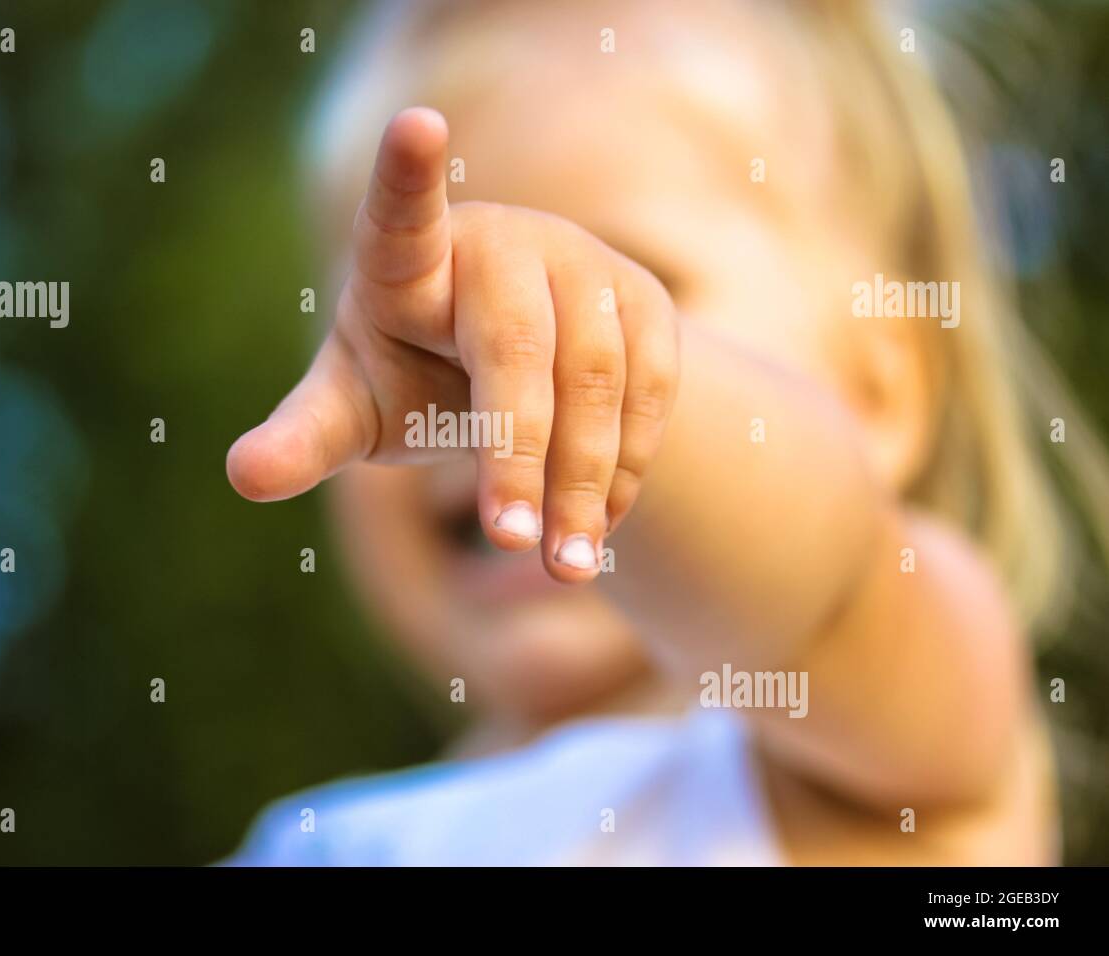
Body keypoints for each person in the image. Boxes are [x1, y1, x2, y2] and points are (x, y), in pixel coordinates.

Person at [222, 0, 1109, 865]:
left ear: (880, 394)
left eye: (624, 287)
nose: (496, 364)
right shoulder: (320, 840)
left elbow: (824, 582)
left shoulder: (898, 764)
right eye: (422, 323)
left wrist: (623, 402)